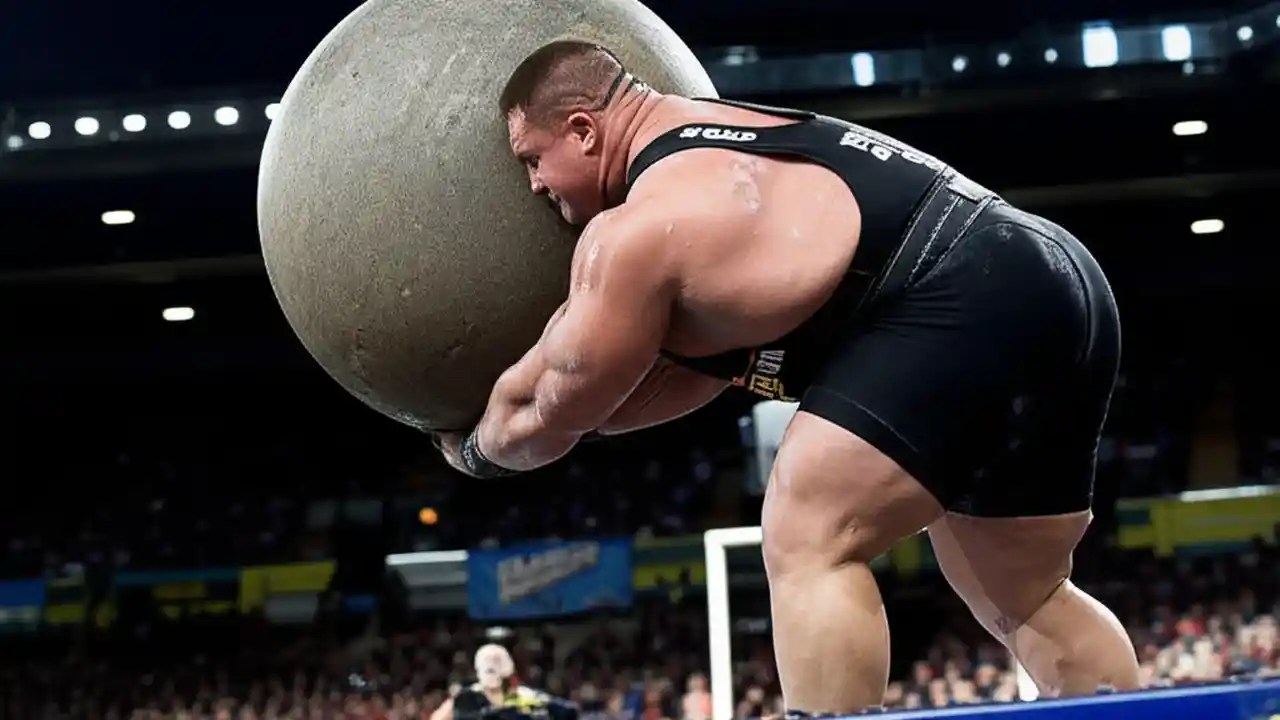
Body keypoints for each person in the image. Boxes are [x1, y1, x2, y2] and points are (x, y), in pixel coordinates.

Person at [436, 40, 1140, 714]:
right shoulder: (721, 136)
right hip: (1055, 272)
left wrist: (466, 447)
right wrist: (582, 411)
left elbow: (548, 406)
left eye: (533, 158)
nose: (531, 185)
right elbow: (679, 381)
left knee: (808, 535)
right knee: (1030, 597)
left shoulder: (637, 231)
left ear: (585, 129)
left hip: (961, 291)